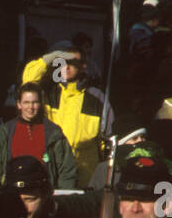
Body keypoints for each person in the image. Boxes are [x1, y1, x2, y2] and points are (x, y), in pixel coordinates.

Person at [21, 44, 113, 188]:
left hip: (85, 174)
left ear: (83, 66)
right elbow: (27, 82)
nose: (67, 67)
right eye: (62, 62)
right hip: (52, 170)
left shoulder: (97, 98)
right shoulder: (48, 93)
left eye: (72, 63)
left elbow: (109, 137)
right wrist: (48, 59)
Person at [0, 83, 77, 190]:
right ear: (19, 104)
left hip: (43, 193)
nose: (30, 107)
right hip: (12, 193)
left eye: (35, 102)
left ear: (41, 104)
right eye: (26, 102)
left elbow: (66, 170)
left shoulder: (53, 132)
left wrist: (63, 198)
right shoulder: (6, 131)